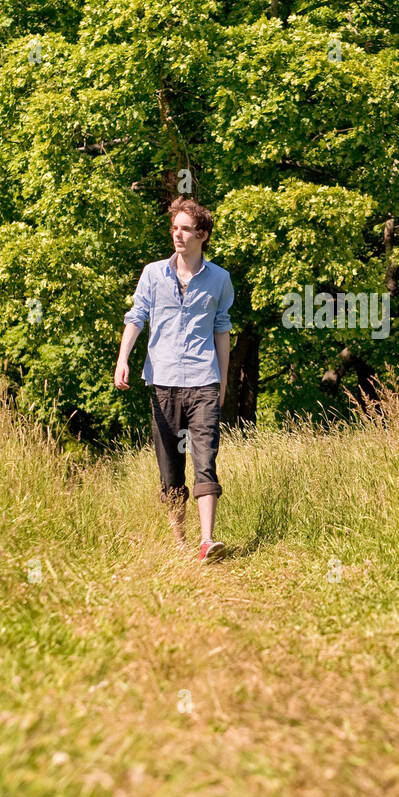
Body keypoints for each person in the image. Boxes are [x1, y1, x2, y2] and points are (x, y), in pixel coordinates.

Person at [114, 198, 234, 562]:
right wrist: (123, 359)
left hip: (203, 381)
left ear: (202, 235)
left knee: (205, 459)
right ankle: (179, 540)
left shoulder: (220, 279)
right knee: (170, 467)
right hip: (162, 381)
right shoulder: (153, 274)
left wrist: (223, 381)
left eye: (185, 229)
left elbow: (222, 329)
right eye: (174, 228)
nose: (177, 235)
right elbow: (137, 316)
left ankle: (206, 540)